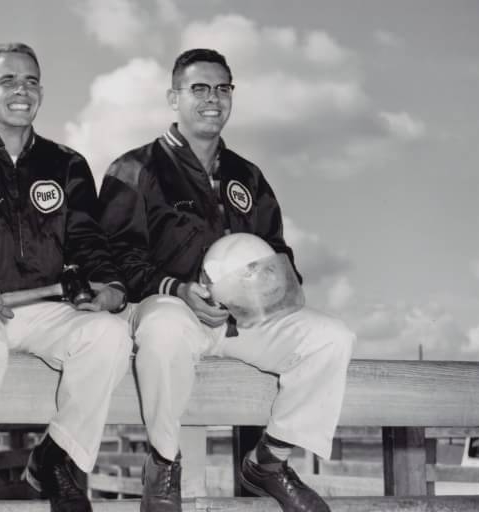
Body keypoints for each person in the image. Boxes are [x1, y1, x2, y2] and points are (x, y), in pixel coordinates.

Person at [96, 48, 356, 512]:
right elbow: (114, 256)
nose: (212, 98)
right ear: (174, 98)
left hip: (245, 321)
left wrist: (281, 286)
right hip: (172, 306)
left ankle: (269, 462)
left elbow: (276, 249)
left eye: (222, 88)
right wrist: (177, 289)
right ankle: (163, 463)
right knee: (164, 329)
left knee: (330, 337)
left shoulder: (247, 175)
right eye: (199, 88)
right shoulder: (135, 168)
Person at [0, 42, 133, 512]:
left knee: (111, 336)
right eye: (7, 80)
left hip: (50, 311)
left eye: (31, 81)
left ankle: (56, 458)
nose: (21, 90)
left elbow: (87, 240)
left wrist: (111, 284)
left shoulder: (67, 162)